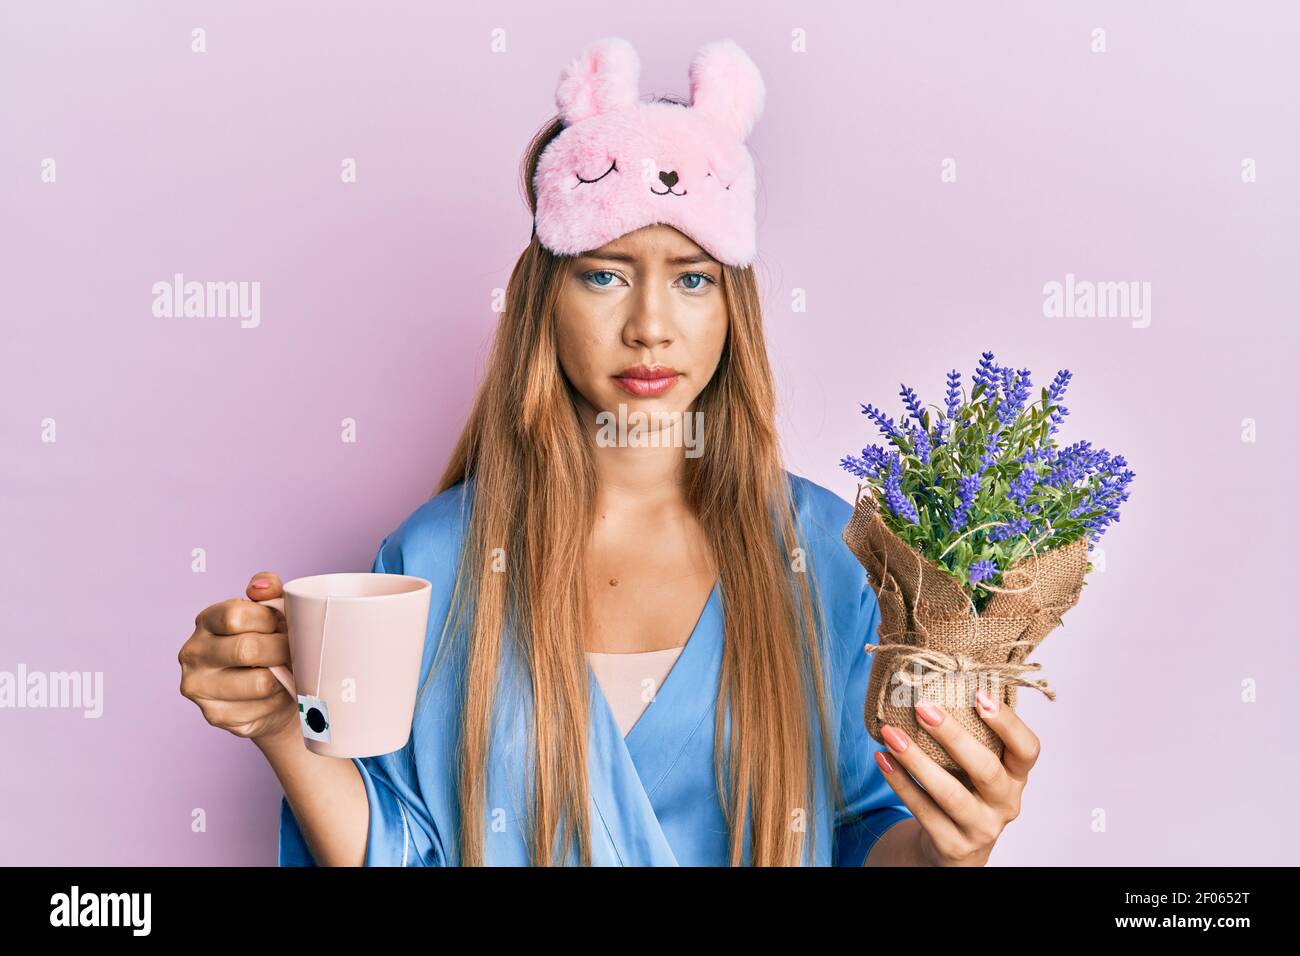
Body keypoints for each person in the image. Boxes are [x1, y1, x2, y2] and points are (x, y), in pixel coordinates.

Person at [178, 36, 1038, 867]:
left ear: (733, 309)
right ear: (545, 300)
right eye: (604, 274)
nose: (650, 326)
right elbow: (402, 852)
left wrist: (946, 850)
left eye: (693, 278)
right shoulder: (434, 559)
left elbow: (861, 836)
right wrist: (279, 724)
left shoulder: (829, 554)